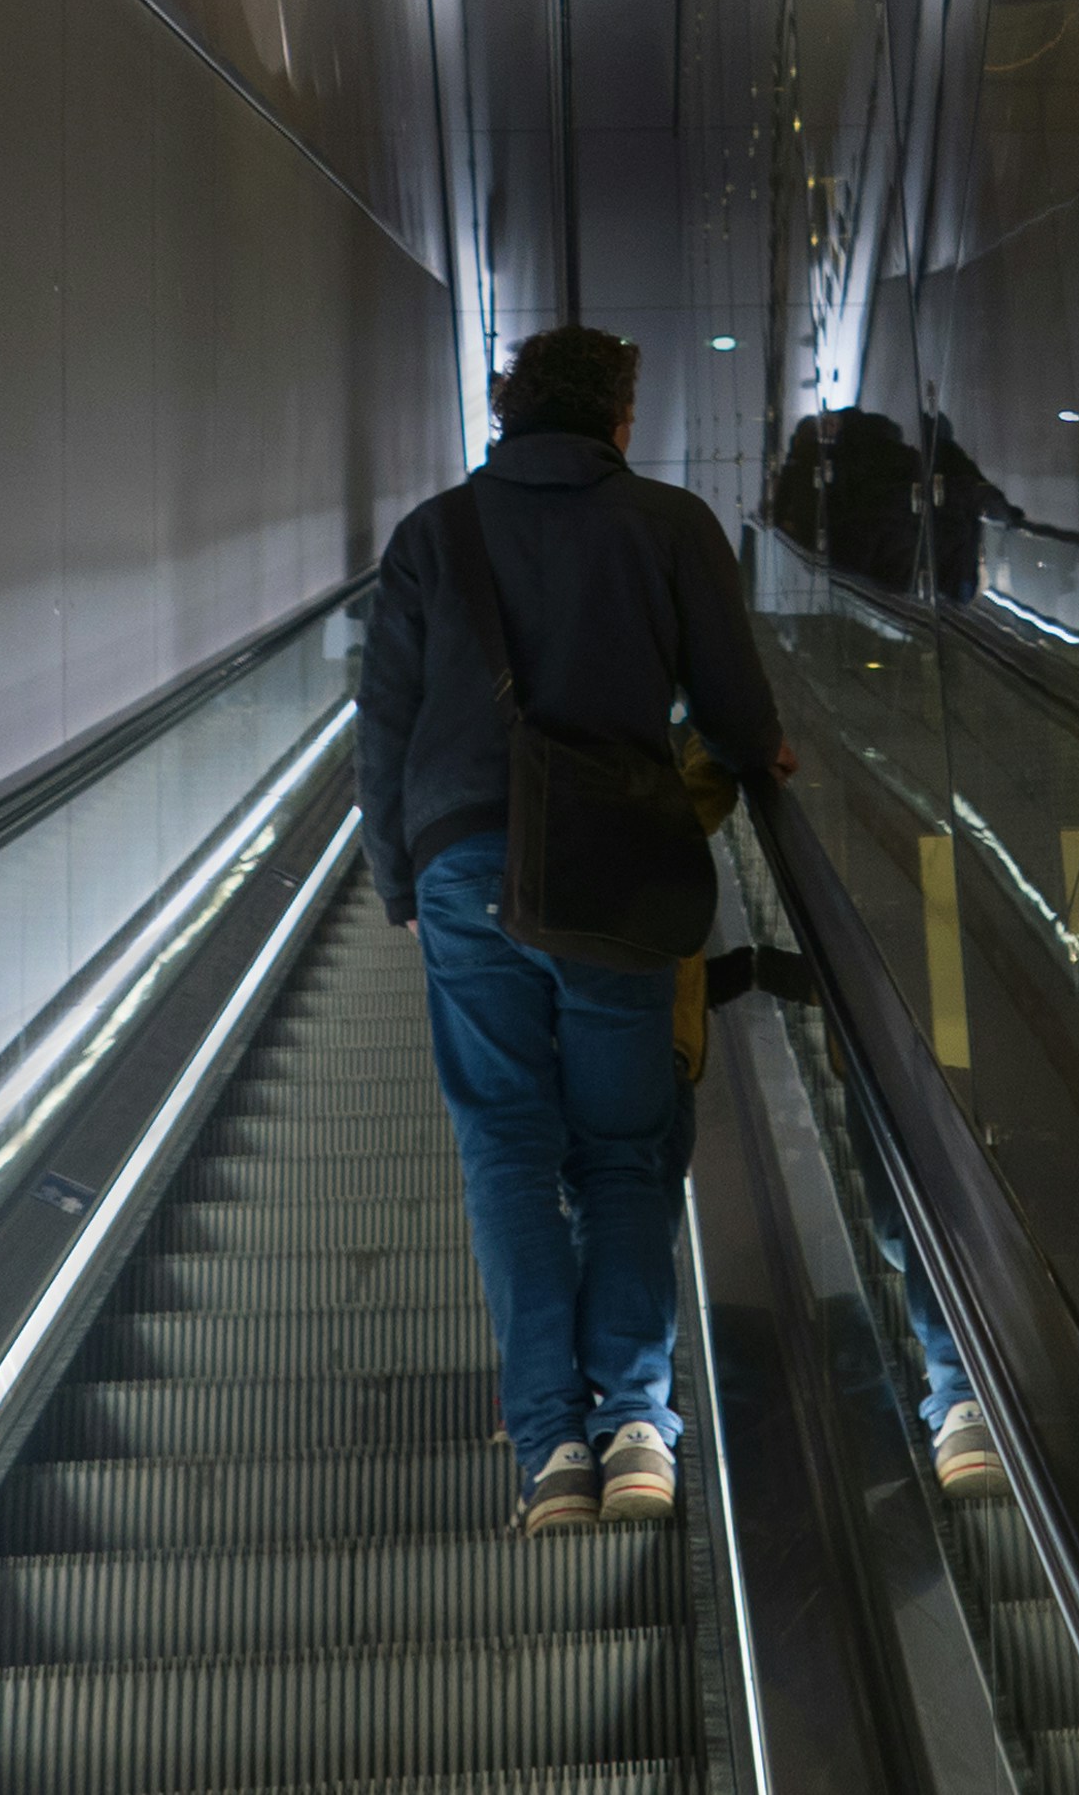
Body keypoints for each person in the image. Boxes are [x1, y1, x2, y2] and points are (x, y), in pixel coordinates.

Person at [359, 324, 789, 1537]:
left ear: (504, 413)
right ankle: (637, 1427)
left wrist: (400, 880)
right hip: (611, 870)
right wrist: (764, 755)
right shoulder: (666, 524)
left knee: (505, 1146)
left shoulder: (430, 536)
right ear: (619, 419)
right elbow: (736, 710)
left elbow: (380, 730)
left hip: (464, 865)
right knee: (619, 1145)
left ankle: (548, 1447)